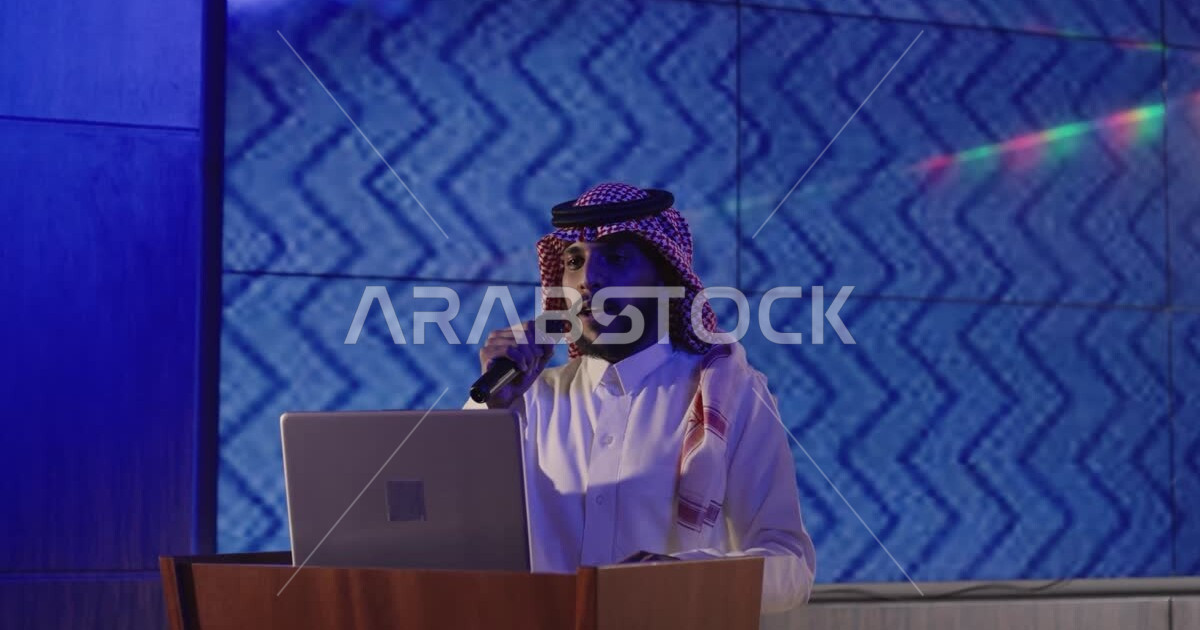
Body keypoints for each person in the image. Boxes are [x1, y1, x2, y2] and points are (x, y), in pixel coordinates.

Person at [467, 182, 815, 612]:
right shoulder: (527, 400)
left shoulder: (730, 395)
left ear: (665, 279)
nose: (588, 280)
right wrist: (493, 409)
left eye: (615, 258)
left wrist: (684, 579)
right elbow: (450, 534)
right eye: (574, 262)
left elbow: (791, 566)